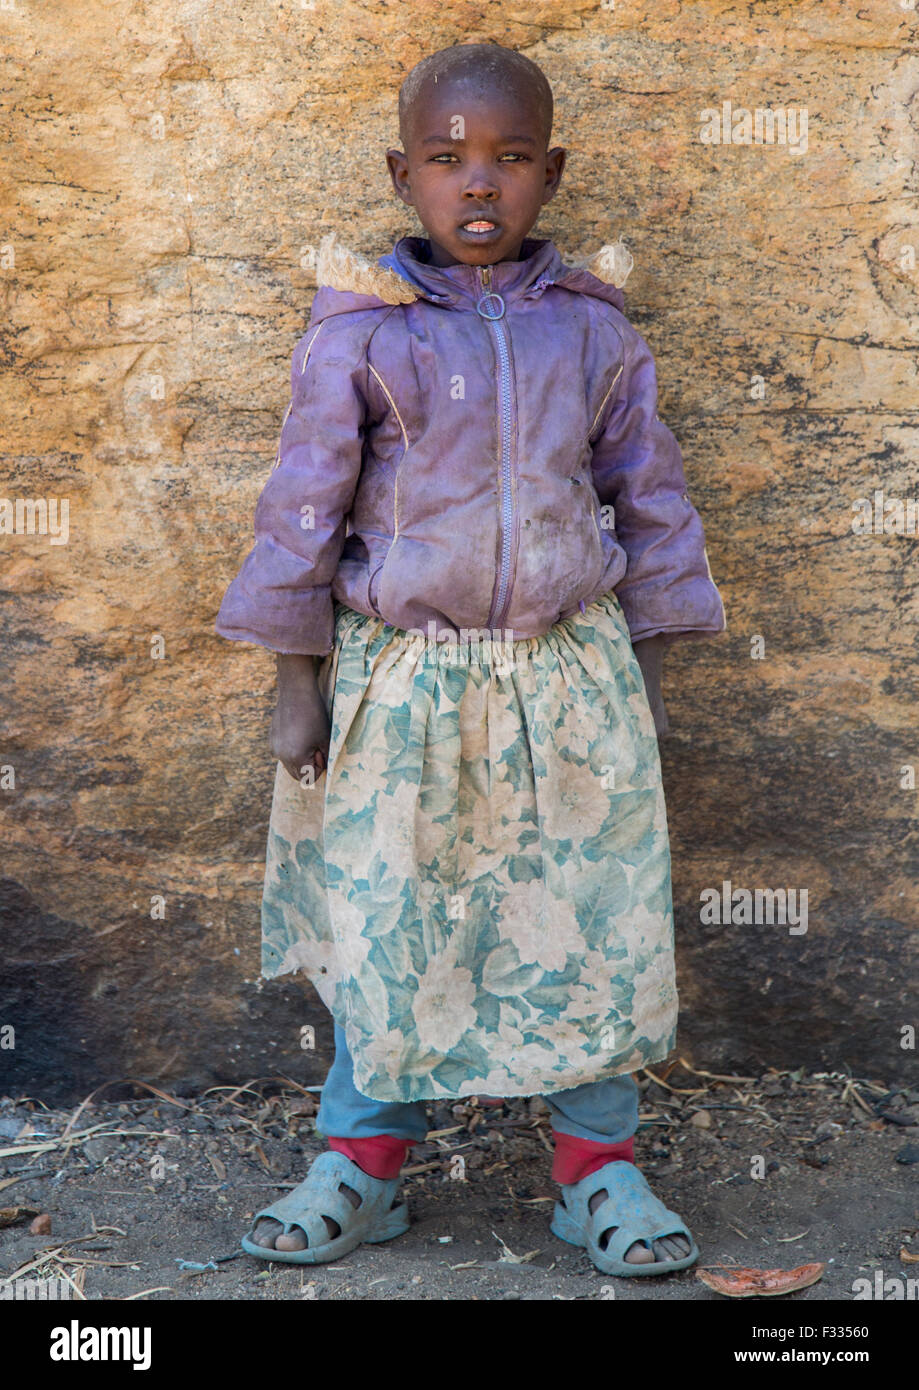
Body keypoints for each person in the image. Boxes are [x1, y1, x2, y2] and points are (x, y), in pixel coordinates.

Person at [215, 41, 725, 1278]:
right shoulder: (359, 340)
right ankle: (361, 1165)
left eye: (507, 160)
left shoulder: (594, 335)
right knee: (391, 920)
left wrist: (644, 671)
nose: (478, 184)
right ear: (404, 177)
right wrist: (297, 678)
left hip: (570, 678)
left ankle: (597, 1170)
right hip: (407, 685)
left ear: (553, 173)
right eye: (447, 161)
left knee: (589, 921)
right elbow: (301, 513)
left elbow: (646, 499)